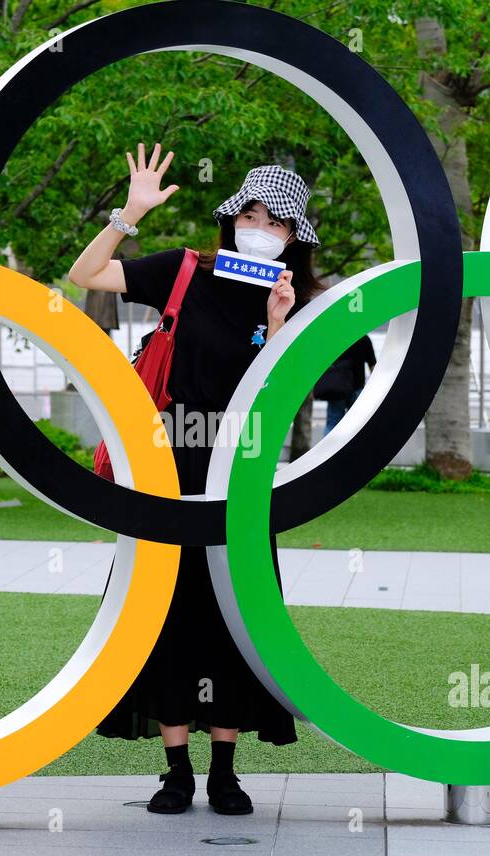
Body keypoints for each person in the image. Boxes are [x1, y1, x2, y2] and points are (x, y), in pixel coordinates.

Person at [68, 144, 325, 815]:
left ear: (295, 239)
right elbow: (85, 272)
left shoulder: (293, 301)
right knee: (168, 617)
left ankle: (226, 771)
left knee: (233, 622)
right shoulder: (185, 270)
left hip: (237, 476)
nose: (261, 227)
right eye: (252, 213)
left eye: (277, 222)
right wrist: (130, 213)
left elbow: (279, 399)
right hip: (166, 471)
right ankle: (176, 769)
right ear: (232, 216)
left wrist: (275, 328)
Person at [317, 334, 376, 437]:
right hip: (357, 388)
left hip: (336, 389)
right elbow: (373, 366)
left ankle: (330, 451)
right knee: (357, 426)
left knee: (332, 424)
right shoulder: (363, 338)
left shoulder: (335, 338)